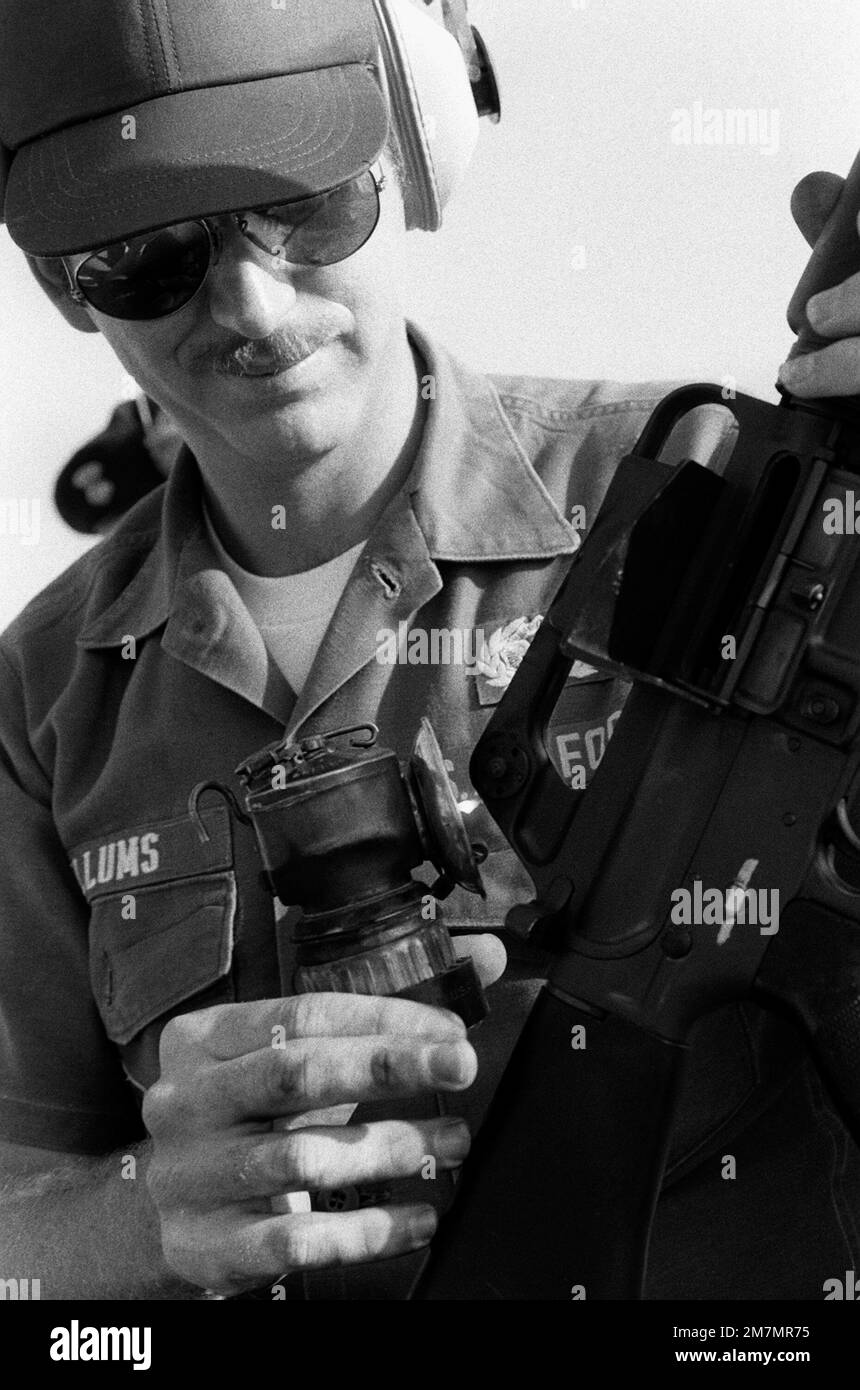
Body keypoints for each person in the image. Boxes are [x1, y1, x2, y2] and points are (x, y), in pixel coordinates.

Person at [0, 0, 858, 1302]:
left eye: (304, 201)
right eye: (147, 257)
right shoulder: (41, 695)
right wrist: (139, 1213)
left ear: (404, 154)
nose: (250, 298)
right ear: (64, 283)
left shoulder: (729, 508)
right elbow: (19, 1211)